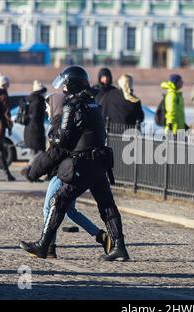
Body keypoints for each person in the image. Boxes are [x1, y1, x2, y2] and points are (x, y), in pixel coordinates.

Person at [20, 65, 129, 261]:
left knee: (59, 200)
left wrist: (52, 135)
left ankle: (43, 245)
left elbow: (64, 141)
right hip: (99, 161)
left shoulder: (73, 106)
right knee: (107, 205)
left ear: (71, 85)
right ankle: (119, 247)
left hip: (83, 163)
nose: (63, 89)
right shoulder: (93, 104)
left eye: (65, 84)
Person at [24, 81, 47, 165]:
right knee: (41, 151)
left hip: (28, 129)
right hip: (36, 130)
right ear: (40, 92)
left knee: (33, 151)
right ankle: (29, 166)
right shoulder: (38, 102)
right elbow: (35, 118)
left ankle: (31, 172)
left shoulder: (29, 99)